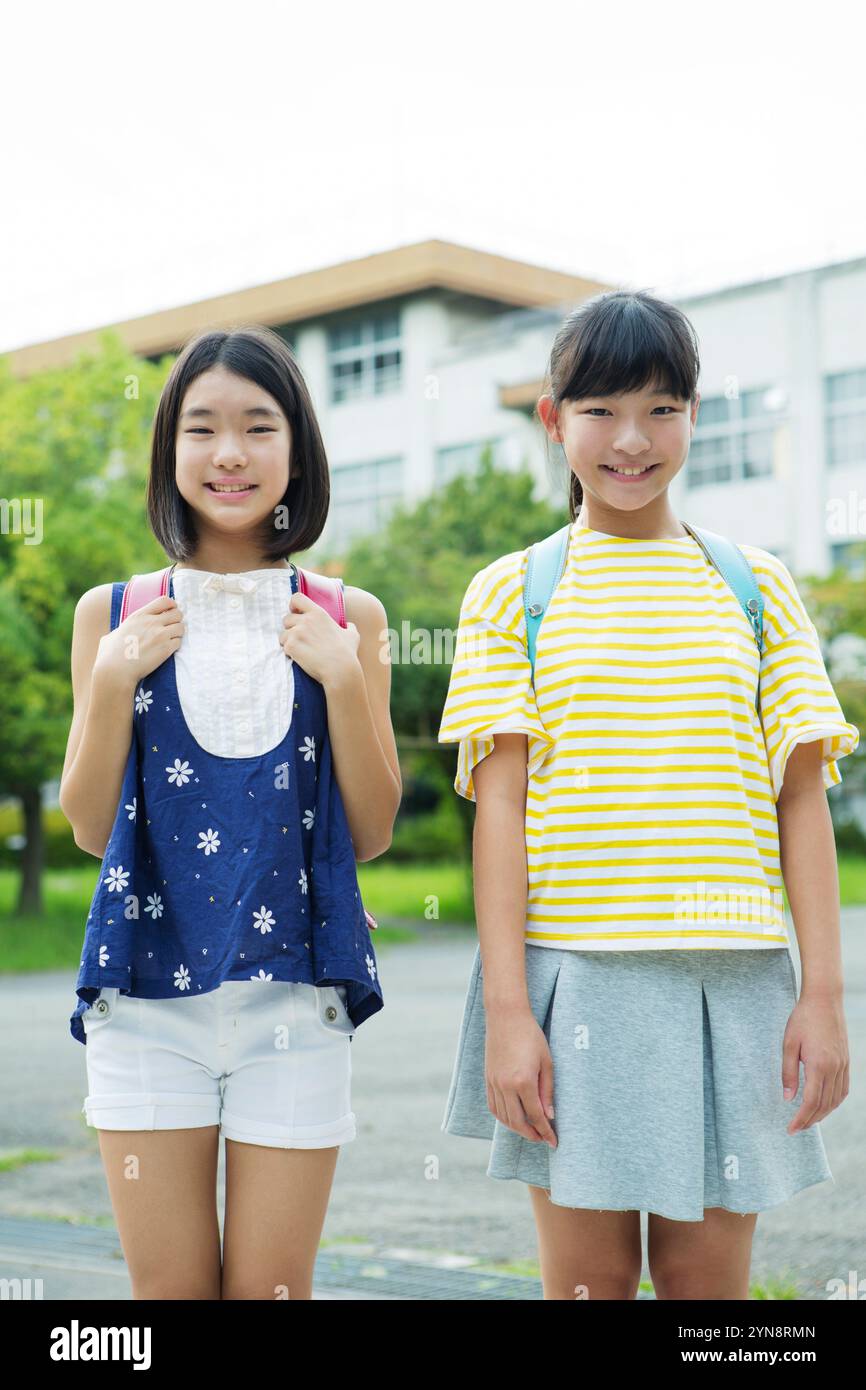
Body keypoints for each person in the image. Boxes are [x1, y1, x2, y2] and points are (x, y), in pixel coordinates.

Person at [437, 290, 860, 1301]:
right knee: (585, 1286)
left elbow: (800, 802)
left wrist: (823, 995)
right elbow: (497, 809)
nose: (630, 439)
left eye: (661, 408)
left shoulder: (755, 587)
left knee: (703, 1297)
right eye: (599, 410)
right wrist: (507, 1012)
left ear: (694, 416)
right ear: (553, 420)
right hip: (574, 982)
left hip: (733, 983)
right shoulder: (511, 591)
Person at [59, 325, 401, 1300]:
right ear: (169, 450)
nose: (230, 453)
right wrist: (115, 678)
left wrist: (341, 680)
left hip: (293, 1007)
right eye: (202, 428)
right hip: (144, 1009)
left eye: (258, 426)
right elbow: (89, 826)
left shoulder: (349, 615)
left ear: (295, 449)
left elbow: (371, 831)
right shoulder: (112, 611)